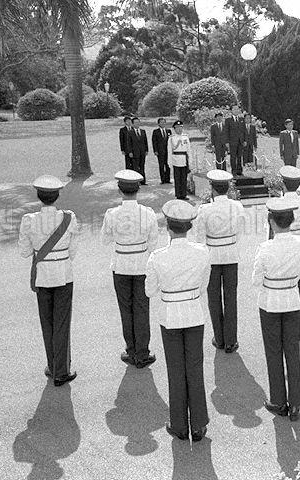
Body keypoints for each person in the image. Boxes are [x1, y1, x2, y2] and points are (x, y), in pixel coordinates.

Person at [145, 200, 210, 442]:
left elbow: (149, 291)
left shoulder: (157, 257)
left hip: (170, 315)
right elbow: (203, 286)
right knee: (195, 368)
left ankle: (180, 424)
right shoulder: (202, 252)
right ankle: (199, 424)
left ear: (168, 227)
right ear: (189, 226)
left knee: (176, 369)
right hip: (193, 312)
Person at [18, 175, 79, 386]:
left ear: (38, 196)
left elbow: (24, 252)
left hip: (42, 275)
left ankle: (53, 366)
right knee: (62, 323)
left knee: (47, 323)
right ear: (57, 195)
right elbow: (73, 252)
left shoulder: (29, 220)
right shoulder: (69, 218)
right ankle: (61, 370)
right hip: (63, 274)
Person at [252, 198, 300, 421]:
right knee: (292, 351)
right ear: (292, 221)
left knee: (274, 352)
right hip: (292, 300)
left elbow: (256, 280)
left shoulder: (265, 248)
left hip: (270, 303)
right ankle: (296, 403)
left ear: (272, 223)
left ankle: (278, 400)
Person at [101, 170, 159, 368]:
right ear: (138, 190)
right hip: (141, 265)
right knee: (142, 309)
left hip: (120, 265)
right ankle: (142, 352)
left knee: (126, 309)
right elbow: (153, 244)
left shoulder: (112, 214)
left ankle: (131, 349)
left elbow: (104, 240)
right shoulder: (148, 213)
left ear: (120, 190)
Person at [193, 169, 245, 354]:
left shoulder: (205, 209)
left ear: (212, 188)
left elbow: (199, 238)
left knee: (214, 298)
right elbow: (240, 232)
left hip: (212, 256)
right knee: (231, 298)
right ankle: (231, 340)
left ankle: (220, 338)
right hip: (231, 254)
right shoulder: (237, 207)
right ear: (228, 188)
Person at [279, 166, 300, 340]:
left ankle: (287, 329)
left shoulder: (278, 204)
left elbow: (269, 230)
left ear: (284, 185)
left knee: (283, 287)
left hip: (282, 248)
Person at [168, 120, 192, 200]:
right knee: (177, 178)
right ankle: (178, 195)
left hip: (184, 159)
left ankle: (184, 194)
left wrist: (190, 161)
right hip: (176, 160)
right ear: (174, 129)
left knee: (184, 178)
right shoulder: (172, 138)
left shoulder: (185, 137)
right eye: (177, 128)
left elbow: (189, 150)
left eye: (181, 127)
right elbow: (169, 151)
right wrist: (170, 162)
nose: (179, 129)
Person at [226, 105, 246, 175]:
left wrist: (245, 140)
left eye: (237, 109)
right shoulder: (228, 120)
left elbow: (244, 131)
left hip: (240, 141)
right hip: (232, 142)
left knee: (240, 156)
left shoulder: (242, 119)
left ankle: (239, 171)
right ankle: (233, 171)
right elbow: (226, 131)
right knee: (233, 157)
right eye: (234, 109)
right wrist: (227, 142)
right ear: (231, 111)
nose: (236, 110)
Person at [151, 117, 171, 184]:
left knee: (168, 165)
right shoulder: (155, 131)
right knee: (161, 165)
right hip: (160, 151)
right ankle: (163, 180)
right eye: (161, 122)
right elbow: (154, 142)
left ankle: (167, 179)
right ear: (158, 123)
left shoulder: (168, 131)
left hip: (168, 151)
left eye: (164, 122)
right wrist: (155, 151)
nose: (163, 123)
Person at [130, 117, 148, 185]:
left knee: (142, 167)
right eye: (135, 123)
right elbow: (129, 143)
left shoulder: (143, 131)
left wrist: (146, 150)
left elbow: (145, 141)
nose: (137, 124)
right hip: (134, 153)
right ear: (132, 124)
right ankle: (136, 182)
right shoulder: (130, 132)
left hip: (142, 152)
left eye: (138, 122)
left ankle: (143, 181)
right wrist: (130, 152)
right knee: (135, 167)